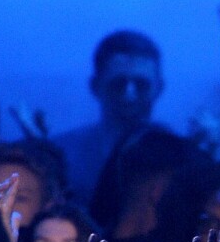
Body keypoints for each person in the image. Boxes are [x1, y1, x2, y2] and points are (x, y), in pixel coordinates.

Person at [50, 30, 165, 208]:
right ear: (95, 86)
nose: (129, 95)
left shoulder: (183, 156)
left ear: (159, 88)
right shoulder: (62, 155)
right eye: (118, 83)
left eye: (141, 85)